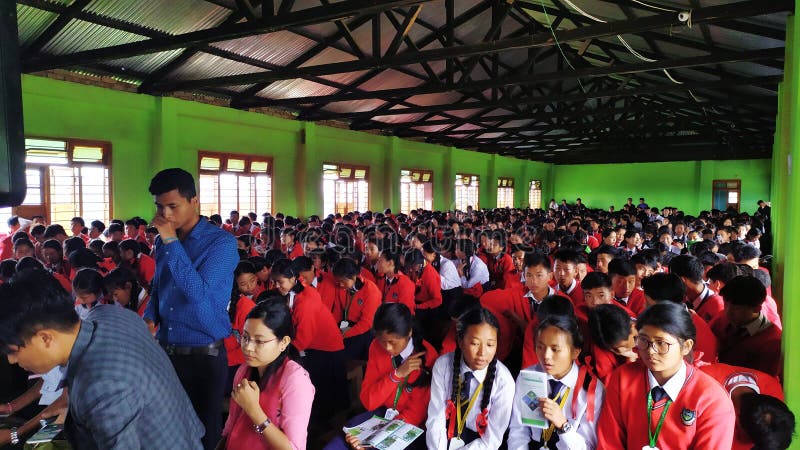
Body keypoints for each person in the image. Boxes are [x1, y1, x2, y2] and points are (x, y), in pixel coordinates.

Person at [0, 269, 204, 449]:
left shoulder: (100, 383)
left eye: (14, 350)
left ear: (45, 338)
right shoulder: (109, 314)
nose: (11, 360)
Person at [145, 168, 239, 450]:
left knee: (203, 432)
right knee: (167, 427)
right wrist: (150, 317)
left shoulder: (221, 243)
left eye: (173, 206)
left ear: (194, 201)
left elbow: (196, 293)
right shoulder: (164, 240)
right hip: (166, 350)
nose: (166, 214)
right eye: (160, 207)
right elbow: (158, 286)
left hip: (204, 356)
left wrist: (170, 240)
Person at [597, 302, 736, 450]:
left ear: (686, 347)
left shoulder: (711, 400)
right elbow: (609, 443)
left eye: (661, 343)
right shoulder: (622, 379)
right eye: (643, 340)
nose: (651, 351)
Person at [324, 303, 436, 450]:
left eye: (392, 342)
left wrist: (376, 440)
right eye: (383, 341)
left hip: (409, 426)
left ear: (409, 333)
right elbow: (369, 401)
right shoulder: (376, 347)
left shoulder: (428, 356)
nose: (388, 348)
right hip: (380, 415)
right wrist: (397, 375)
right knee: (337, 445)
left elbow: (416, 414)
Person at [220, 298, 314, 450]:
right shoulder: (244, 370)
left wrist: (254, 411)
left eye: (259, 341)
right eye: (245, 337)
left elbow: (293, 448)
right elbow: (229, 429)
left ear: (283, 342)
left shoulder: (295, 381)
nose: (248, 347)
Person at [508, 315, 604, 450]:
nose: (546, 356)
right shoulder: (529, 377)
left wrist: (563, 424)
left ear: (575, 352)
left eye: (555, 349)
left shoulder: (591, 389)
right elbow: (518, 430)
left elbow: (588, 446)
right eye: (540, 347)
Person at [426, 307, 514, 449]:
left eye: (490, 344)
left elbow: (492, 439)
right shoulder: (443, 366)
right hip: (444, 435)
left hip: (480, 443)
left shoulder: (504, 381)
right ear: (461, 342)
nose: (482, 353)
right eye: (474, 343)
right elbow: (436, 419)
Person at [713, 276, 782, 377]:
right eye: (725, 304)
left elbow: (761, 381)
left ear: (757, 308)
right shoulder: (722, 319)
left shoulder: (772, 342)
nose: (728, 312)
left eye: (737, 308)